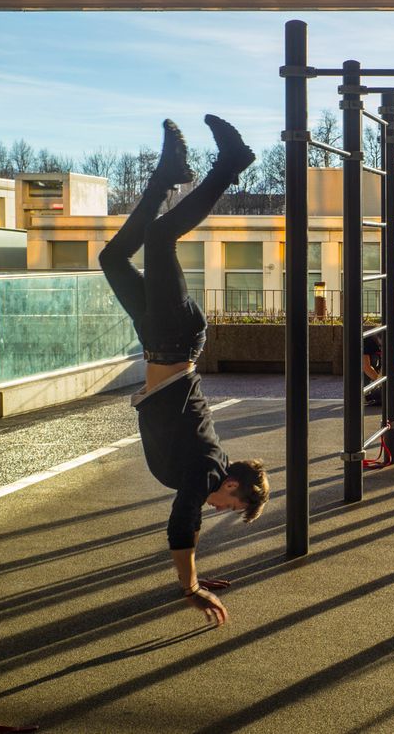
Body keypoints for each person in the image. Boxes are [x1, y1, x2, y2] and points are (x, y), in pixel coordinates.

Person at [99, 116, 270, 627]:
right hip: (173, 338)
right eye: (229, 507)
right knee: (160, 239)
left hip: (161, 339)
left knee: (112, 258)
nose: (219, 510)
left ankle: (169, 174)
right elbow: (182, 524)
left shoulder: (209, 466)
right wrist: (190, 585)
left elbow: (188, 514)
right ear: (233, 487)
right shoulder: (207, 473)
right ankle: (229, 167)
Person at [362, 332, 394, 405]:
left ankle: (380, 391)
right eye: (381, 346)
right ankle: (368, 391)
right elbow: (366, 367)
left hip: (384, 367)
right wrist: (380, 382)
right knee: (374, 359)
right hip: (370, 366)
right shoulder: (368, 341)